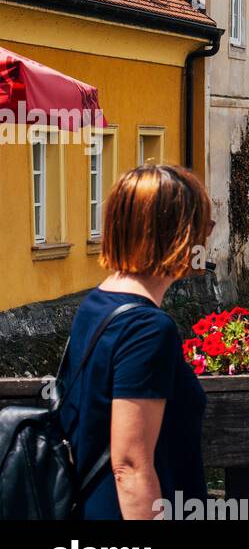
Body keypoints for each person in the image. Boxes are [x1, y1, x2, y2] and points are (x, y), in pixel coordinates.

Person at [57, 164, 213, 520]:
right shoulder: (147, 329)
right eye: (204, 227)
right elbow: (129, 466)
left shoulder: (97, 303)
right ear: (180, 234)